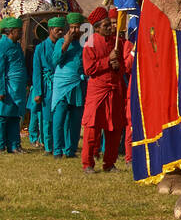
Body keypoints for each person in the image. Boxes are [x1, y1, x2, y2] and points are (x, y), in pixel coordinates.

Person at [81, 9, 134, 173]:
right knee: (92, 129)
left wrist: (118, 66)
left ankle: (109, 163)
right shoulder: (89, 42)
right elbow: (88, 69)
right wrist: (108, 61)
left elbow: (121, 66)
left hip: (115, 90)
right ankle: (88, 164)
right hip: (98, 91)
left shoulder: (116, 42)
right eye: (106, 25)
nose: (110, 28)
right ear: (97, 28)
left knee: (115, 128)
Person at [50, 12, 87, 158]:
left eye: (77, 27)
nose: (74, 31)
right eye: (72, 27)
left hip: (78, 84)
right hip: (62, 86)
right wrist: (66, 43)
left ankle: (70, 150)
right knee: (59, 119)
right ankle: (57, 150)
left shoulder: (85, 43)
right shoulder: (61, 42)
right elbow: (55, 61)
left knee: (75, 121)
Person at [0, 17, 28, 153]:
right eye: (19, 31)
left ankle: (14, 146)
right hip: (6, 88)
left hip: (17, 89)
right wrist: (0, 90)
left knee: (14, 116)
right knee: (1, 117)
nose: (21, 34)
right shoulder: (2, 45)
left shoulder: (17, 45)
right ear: (11, 31)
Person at [29, 18, 64, 152]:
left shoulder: (64, 45)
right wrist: (37, 92)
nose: (60, 32)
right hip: (47, 85)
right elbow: (36, 71)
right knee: (47, 117)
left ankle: (60, 145)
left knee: (60, 116)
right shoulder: (40, 48)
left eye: (62, 30)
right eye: (57, 30)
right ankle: (48, 146)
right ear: (50, 30)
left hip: (61, 84)